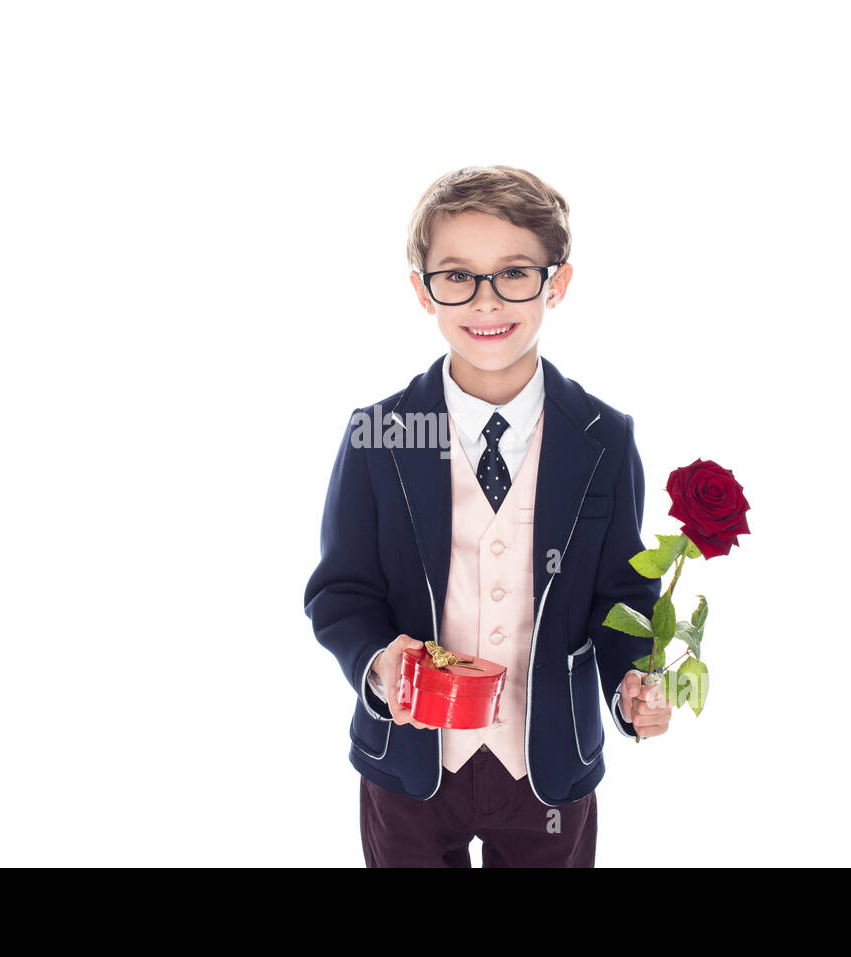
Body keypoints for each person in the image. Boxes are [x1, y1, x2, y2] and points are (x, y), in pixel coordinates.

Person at [303, 165, 673, 868]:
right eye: (457, 276)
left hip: (548, 765)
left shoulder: (605, 436)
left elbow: (621, 595)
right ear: (422, 289)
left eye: (513, 273)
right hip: (409, 765)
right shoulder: (378, 432)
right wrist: (381, 664)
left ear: (556, 283)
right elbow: (341, 592)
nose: (485, 300)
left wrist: (634, 686)